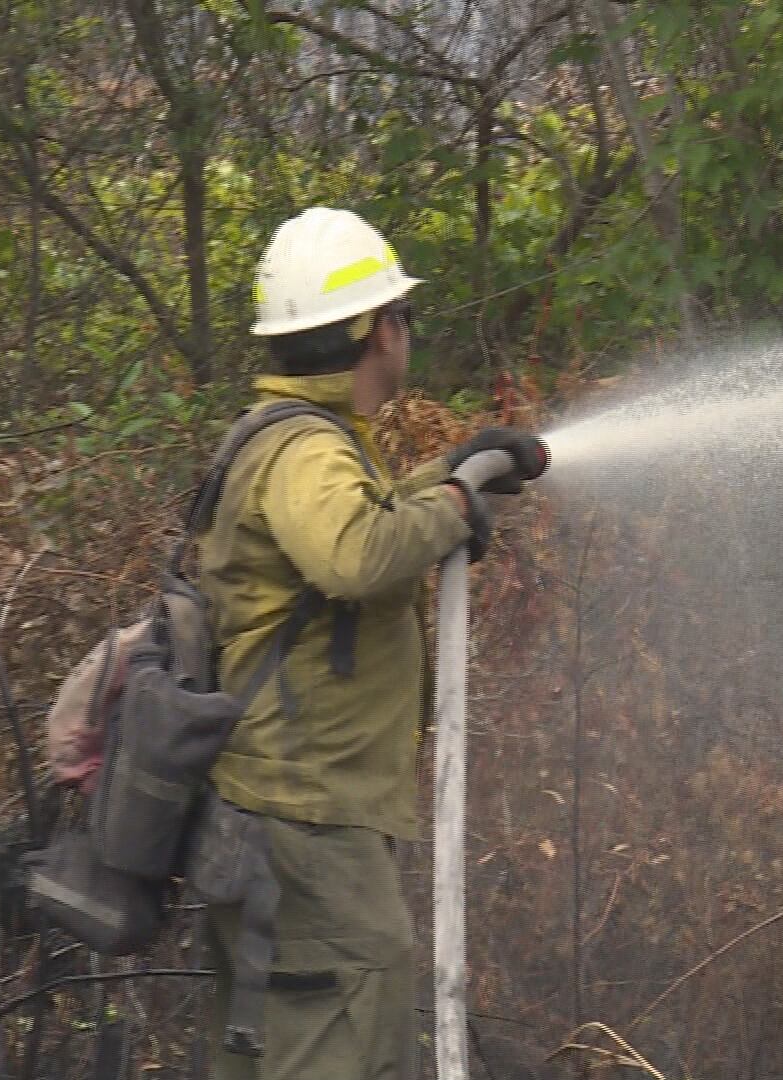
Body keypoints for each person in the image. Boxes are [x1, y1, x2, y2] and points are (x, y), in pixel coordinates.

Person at [199, 207, 539, 1079]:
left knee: (276, 1042)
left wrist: (452, 472)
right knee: (353, 1014)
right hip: (303, 815)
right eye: (401, 315)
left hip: (279, 810)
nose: (405, 332)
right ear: (374, 330)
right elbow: (354, 555)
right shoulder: (306, 450)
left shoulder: (301, 444)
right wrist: (457, 505)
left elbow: (363, 527)